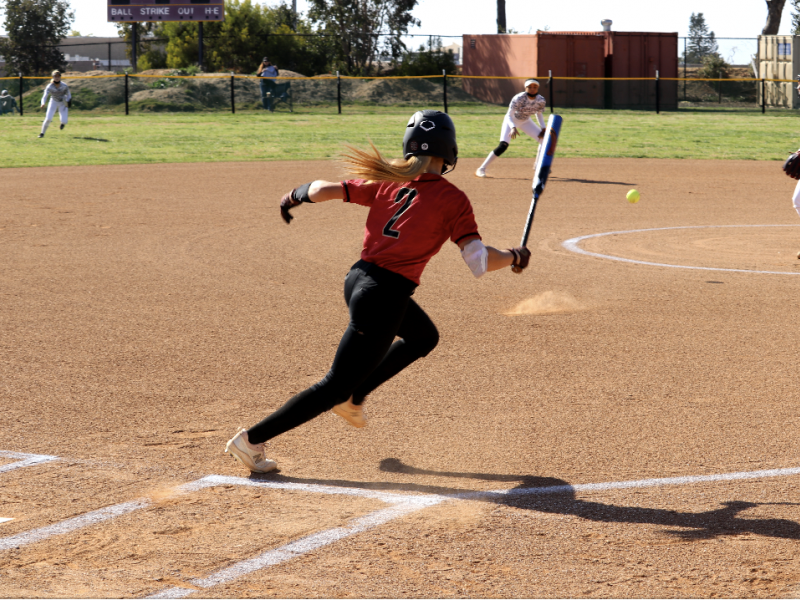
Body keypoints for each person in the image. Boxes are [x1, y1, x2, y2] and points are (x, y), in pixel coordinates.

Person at [225, 109, 533, 473]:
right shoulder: (452, 199)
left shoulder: (390, 179)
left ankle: (355, 395)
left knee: (423, 337)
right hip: (384, 295)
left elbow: (325, 189)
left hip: (360, 280)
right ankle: (252, 440)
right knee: (332, 387)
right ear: (448, 150)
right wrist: (514, 256)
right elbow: (479, 262)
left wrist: (295, 195)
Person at [476, 78, 546, 178]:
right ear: (525, 88)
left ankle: (538, 166)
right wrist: (513, 127)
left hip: (526, 121)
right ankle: (481, 169)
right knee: (503, 145)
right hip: (511, 121)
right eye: (529, 87)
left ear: (538, 88)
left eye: (535, 87)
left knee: (544, 141)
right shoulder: (519, 98)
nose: (532, 89)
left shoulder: (541, 100)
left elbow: (539, 114)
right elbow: (508, 115)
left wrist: (543, 128)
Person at [38, 70, 71, 138]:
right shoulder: (50, 86)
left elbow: (69, 95)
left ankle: (62, 124)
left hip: (62, 102)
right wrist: (43, 103)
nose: (57, 78)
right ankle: (42, 133)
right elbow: (45, 95)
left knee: (64, 121)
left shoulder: (64, 86)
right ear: (53, 77)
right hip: (53, 102)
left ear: (60, 77)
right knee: (48, 118)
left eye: (58, 76)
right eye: (55, 76)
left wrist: (68, 101)